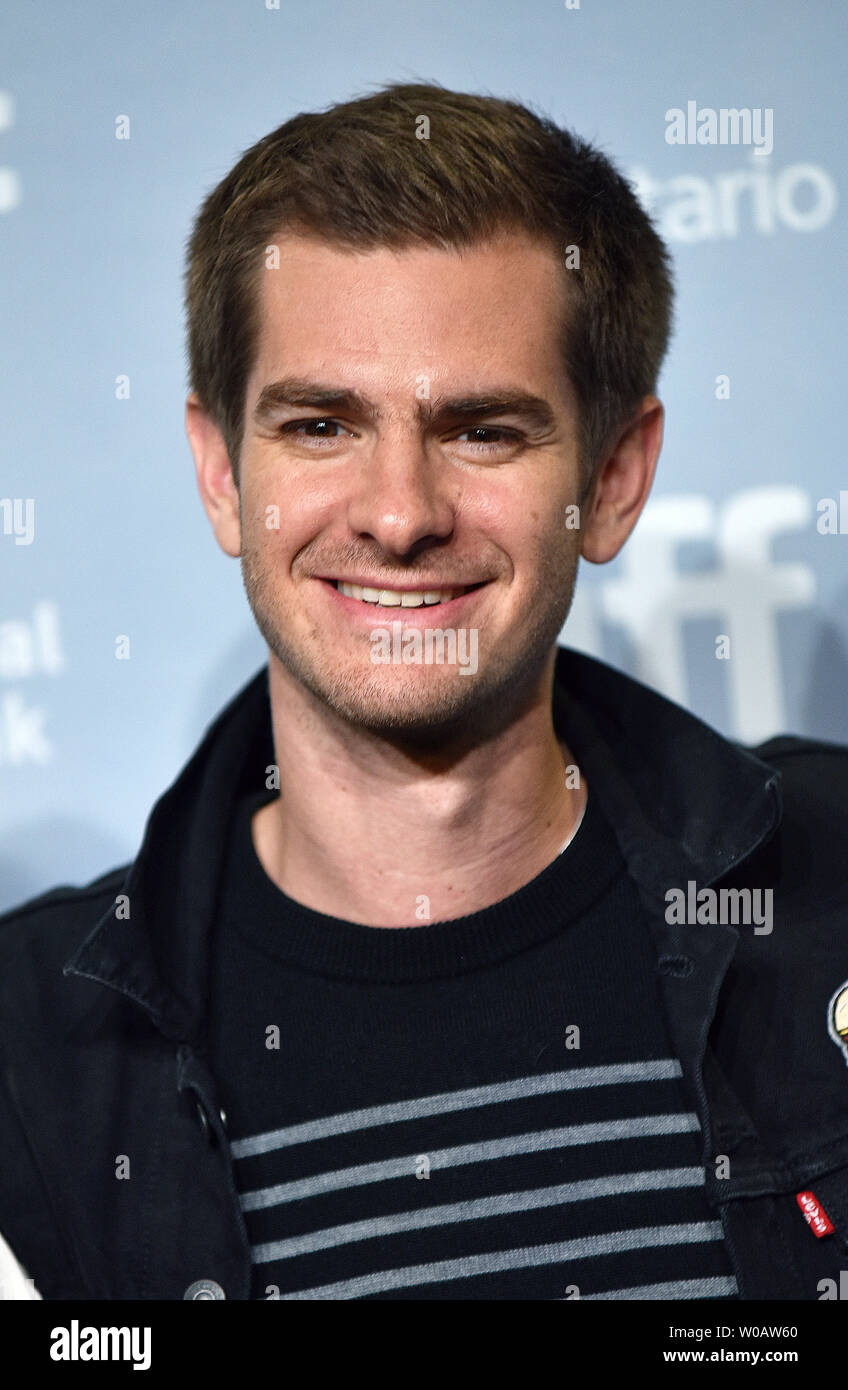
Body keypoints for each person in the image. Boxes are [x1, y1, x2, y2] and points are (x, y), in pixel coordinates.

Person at [2, 80, 847, 1303]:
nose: (398, 514)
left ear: (612, 479)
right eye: (319, 425)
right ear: (221, 475)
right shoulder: (32, 1063)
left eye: (482, 431)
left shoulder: (830, 886)